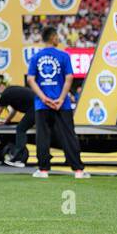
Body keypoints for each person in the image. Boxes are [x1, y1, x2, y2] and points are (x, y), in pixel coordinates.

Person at [27, 27, 87, 178]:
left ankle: (43, 170)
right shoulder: (63, 56)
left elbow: (30, 79)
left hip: (42, 104)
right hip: (62, 104)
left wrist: (43, 97)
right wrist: (60, 98)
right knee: (68, 135)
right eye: (57, 36)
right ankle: (78, 170)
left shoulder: (36, 57)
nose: (58, 39)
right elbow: (69, 78)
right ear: (53, 37)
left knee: (42, 136)